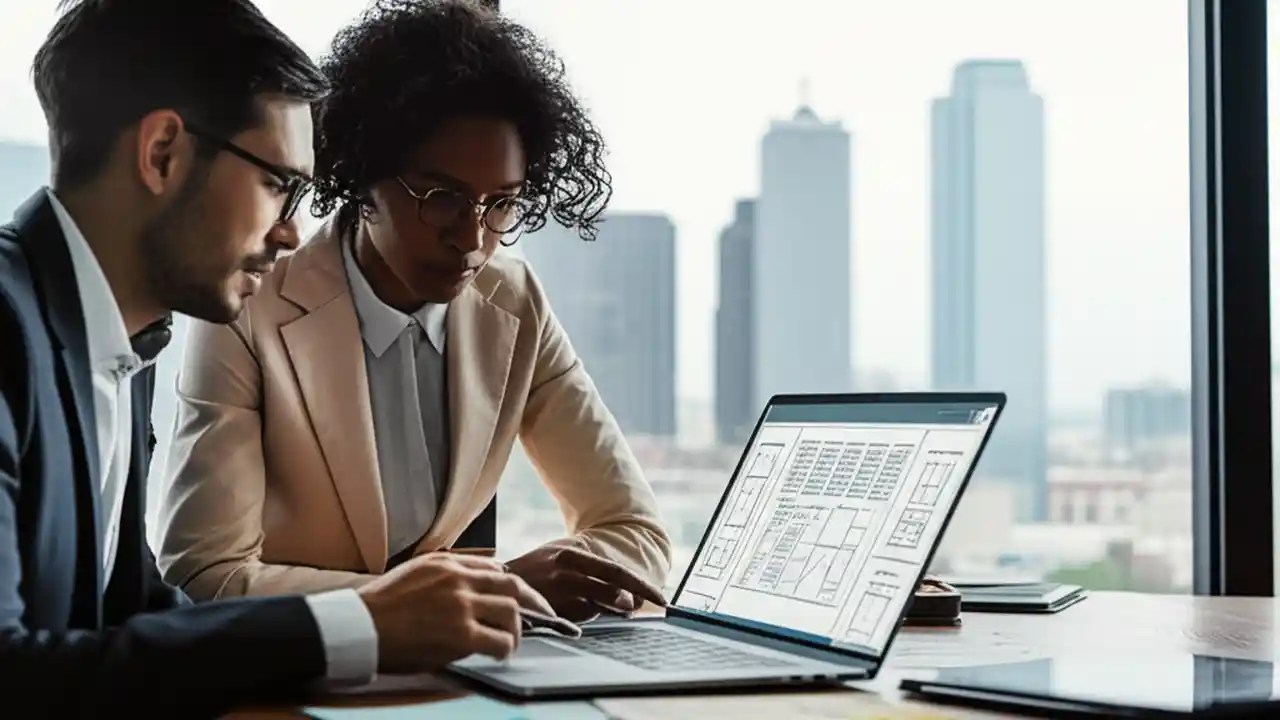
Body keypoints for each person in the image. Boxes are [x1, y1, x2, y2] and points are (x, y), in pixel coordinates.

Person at [0, 1, 550, 715]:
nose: (293, 232)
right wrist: (365, 621)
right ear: (162, 152)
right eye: (278, 185)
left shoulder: (112, 337)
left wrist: (392, 627)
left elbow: (133, 615)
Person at [156, 0, 671, 623]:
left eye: (501, 203)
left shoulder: (512, 300)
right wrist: (466, 595)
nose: (474, 238)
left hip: (458, 681)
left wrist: (511, 588)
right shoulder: (250, 305)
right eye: (441, 198)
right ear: (363, 177)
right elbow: (204, 574)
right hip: (297, 684)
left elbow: (634, 530)